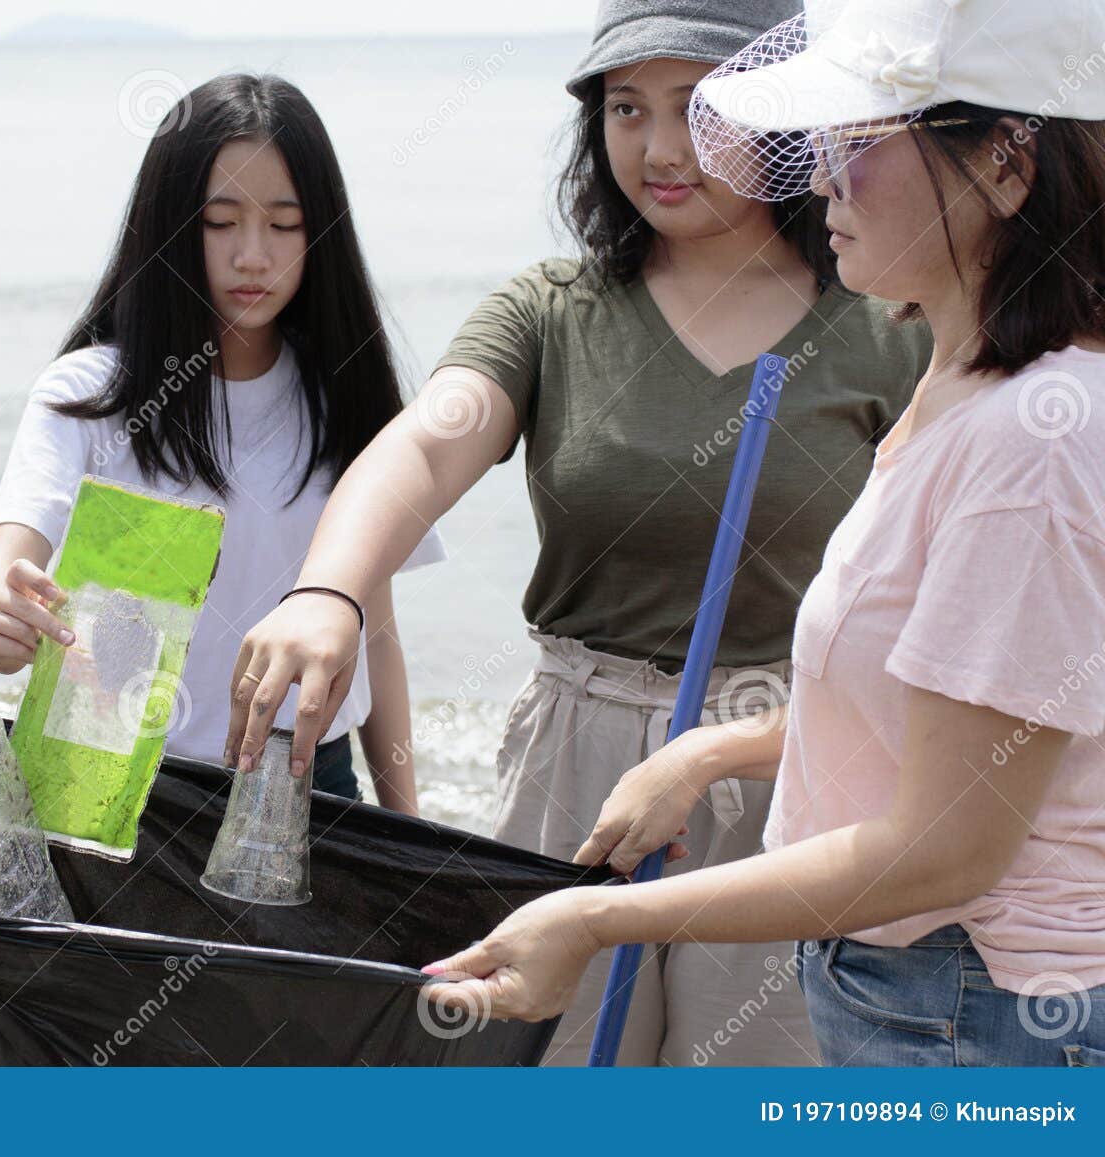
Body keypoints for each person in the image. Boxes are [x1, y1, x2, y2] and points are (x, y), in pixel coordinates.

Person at [224, 0, 929, 1065]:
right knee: (547, 1077)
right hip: (578, 756)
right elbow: (422, 448)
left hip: (790, 759)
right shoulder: (551, 311)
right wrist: (328, 590)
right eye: (624, 107)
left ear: (787, 113)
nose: (654, 148)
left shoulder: (886, 321)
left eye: (702, 108)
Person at [425, 0, 1105, 1068]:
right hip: (911, 989)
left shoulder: (1032, 439)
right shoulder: (959, 389)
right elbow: (933, 714)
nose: (822, 176)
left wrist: (596, 919)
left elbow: (941, 848)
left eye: (858, 139)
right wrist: (713, 745)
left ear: (1008, 167)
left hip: (977, 1010)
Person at [0, 74, 444, 811]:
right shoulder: (89, 394)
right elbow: (6, 559)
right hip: (111, 776)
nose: (254, 256)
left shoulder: (344, 399)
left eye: (285, 225)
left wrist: (407, 823)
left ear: (321, 233)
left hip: (307, 781)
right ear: (168, 226)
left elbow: (373, 629)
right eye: (221, 221)